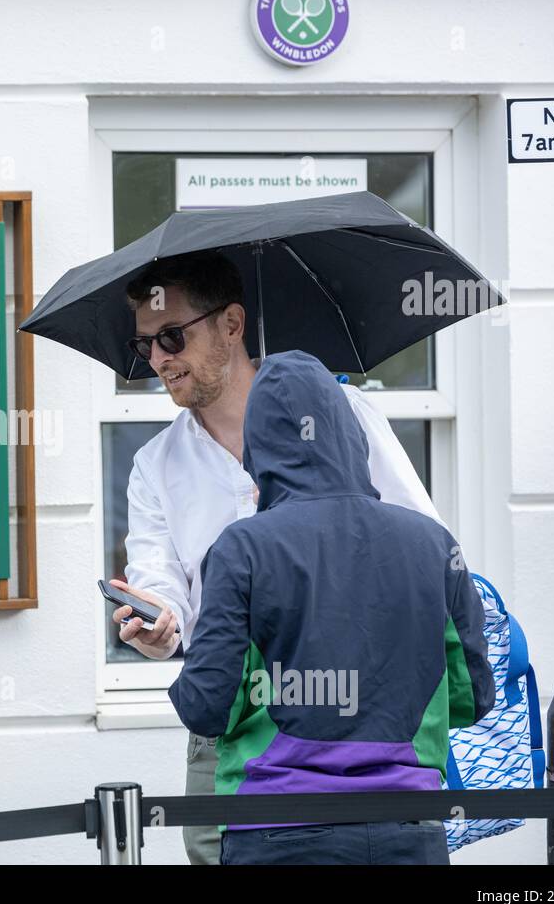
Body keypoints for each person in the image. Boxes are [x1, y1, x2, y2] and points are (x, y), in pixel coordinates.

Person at [107, 249, 446, 864]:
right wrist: (157, 624)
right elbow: (164, 589)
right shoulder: (154, 463)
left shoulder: (347, 417)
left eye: (171, 336)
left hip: (364, 722)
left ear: (232, 324)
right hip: (232, 718)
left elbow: (424, 552)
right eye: (144, 347)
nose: (157, 359)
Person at [168, 350, 494, 864]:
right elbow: (472, 696)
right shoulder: (434, 544)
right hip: (406, 829)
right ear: (351, 437)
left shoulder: (242, 549)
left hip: (275, 828)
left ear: (259, 447)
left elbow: (208, 706)